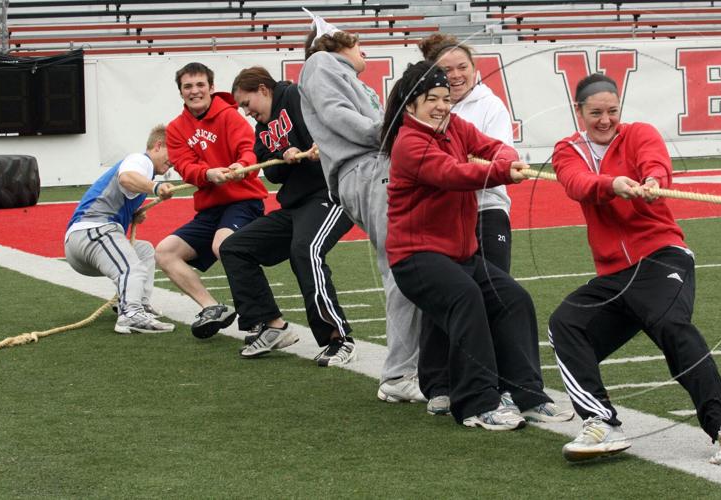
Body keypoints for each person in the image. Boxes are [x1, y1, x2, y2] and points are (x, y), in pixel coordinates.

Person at [549, 73, 721, 464]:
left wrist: (654, 179)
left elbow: (654, 161)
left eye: (611, 111)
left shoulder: (639, 132)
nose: (605, 120)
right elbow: (576, 183)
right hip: (614, 276)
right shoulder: (567, 149)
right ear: (579, 112)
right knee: (566, 323)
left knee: (671, 326)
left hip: (661, 257)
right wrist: (612, 185)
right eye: (595, 113)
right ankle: (600, 421)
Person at [383, 60, 572, 430]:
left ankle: (527, 395)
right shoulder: (408, 143)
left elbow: (494, 147)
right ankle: (477, 402)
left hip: (460, 255)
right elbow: (453, 175)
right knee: (466, 298)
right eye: (431, 99)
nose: (441, 105)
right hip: (416, 258)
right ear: (410, 106)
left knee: (513, 298)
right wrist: (501, 170)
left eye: (445, 98)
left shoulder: (455, 126)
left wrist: (505, 159)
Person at [298, 13, 424, 397]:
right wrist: (390, 133)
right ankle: (400, 376)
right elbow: (338, 115)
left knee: (414, 263)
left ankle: (413, 369)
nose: (362, 48)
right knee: (403, 267)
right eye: (355, 42)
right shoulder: (320, 63)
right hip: (369, 171)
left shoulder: (342, 75)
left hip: (371, 170)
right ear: (335, 44)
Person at [220, 66, 355, 366]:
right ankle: (270, 324)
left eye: (246, 103)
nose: (246, 112)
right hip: (294, 205)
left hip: (329, 196)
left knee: (305, 250)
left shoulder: (295, 95)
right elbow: (272, 172)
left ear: (264, 90)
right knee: (234, 248)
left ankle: (339, 337)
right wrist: (287, 155)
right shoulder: (262, 129)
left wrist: (313, 146)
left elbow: (329, 122)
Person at [419, 33, 517, 416]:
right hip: (441, 213)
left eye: (463, 67)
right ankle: (438, 383)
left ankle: (497, 383)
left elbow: (500, 156)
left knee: (494, 293)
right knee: (441, 296)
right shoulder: (423, 107)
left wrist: (459, 166)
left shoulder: (491, 107)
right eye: (447, 70)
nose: (457, 75)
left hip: (484, 210)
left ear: (475, 69)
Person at [156, 62, 268, 340]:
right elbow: (185, 166)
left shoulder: (230, 116)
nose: (195, 91)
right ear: (181, 92)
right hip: (209, 209)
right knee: (165, 252)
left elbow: (249, 150)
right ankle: (213, 308)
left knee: (224, 245)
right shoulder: (176, 129)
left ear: (211, 87)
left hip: (243, 201)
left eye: (200, 85)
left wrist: (239, 167)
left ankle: (259, 319)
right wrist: (208, 173)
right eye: (188, 87)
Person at [65, 124, 176, 334]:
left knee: (143, 251)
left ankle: (137, 304)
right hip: (92, 232)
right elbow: (125, 178)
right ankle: (130, 314)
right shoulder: (141, 160)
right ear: (158, 146)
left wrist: (132, 213)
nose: (175, 160)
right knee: (131, 266)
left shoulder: (144, 169)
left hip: (84, 241)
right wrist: (155, 188)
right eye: (174, 151)